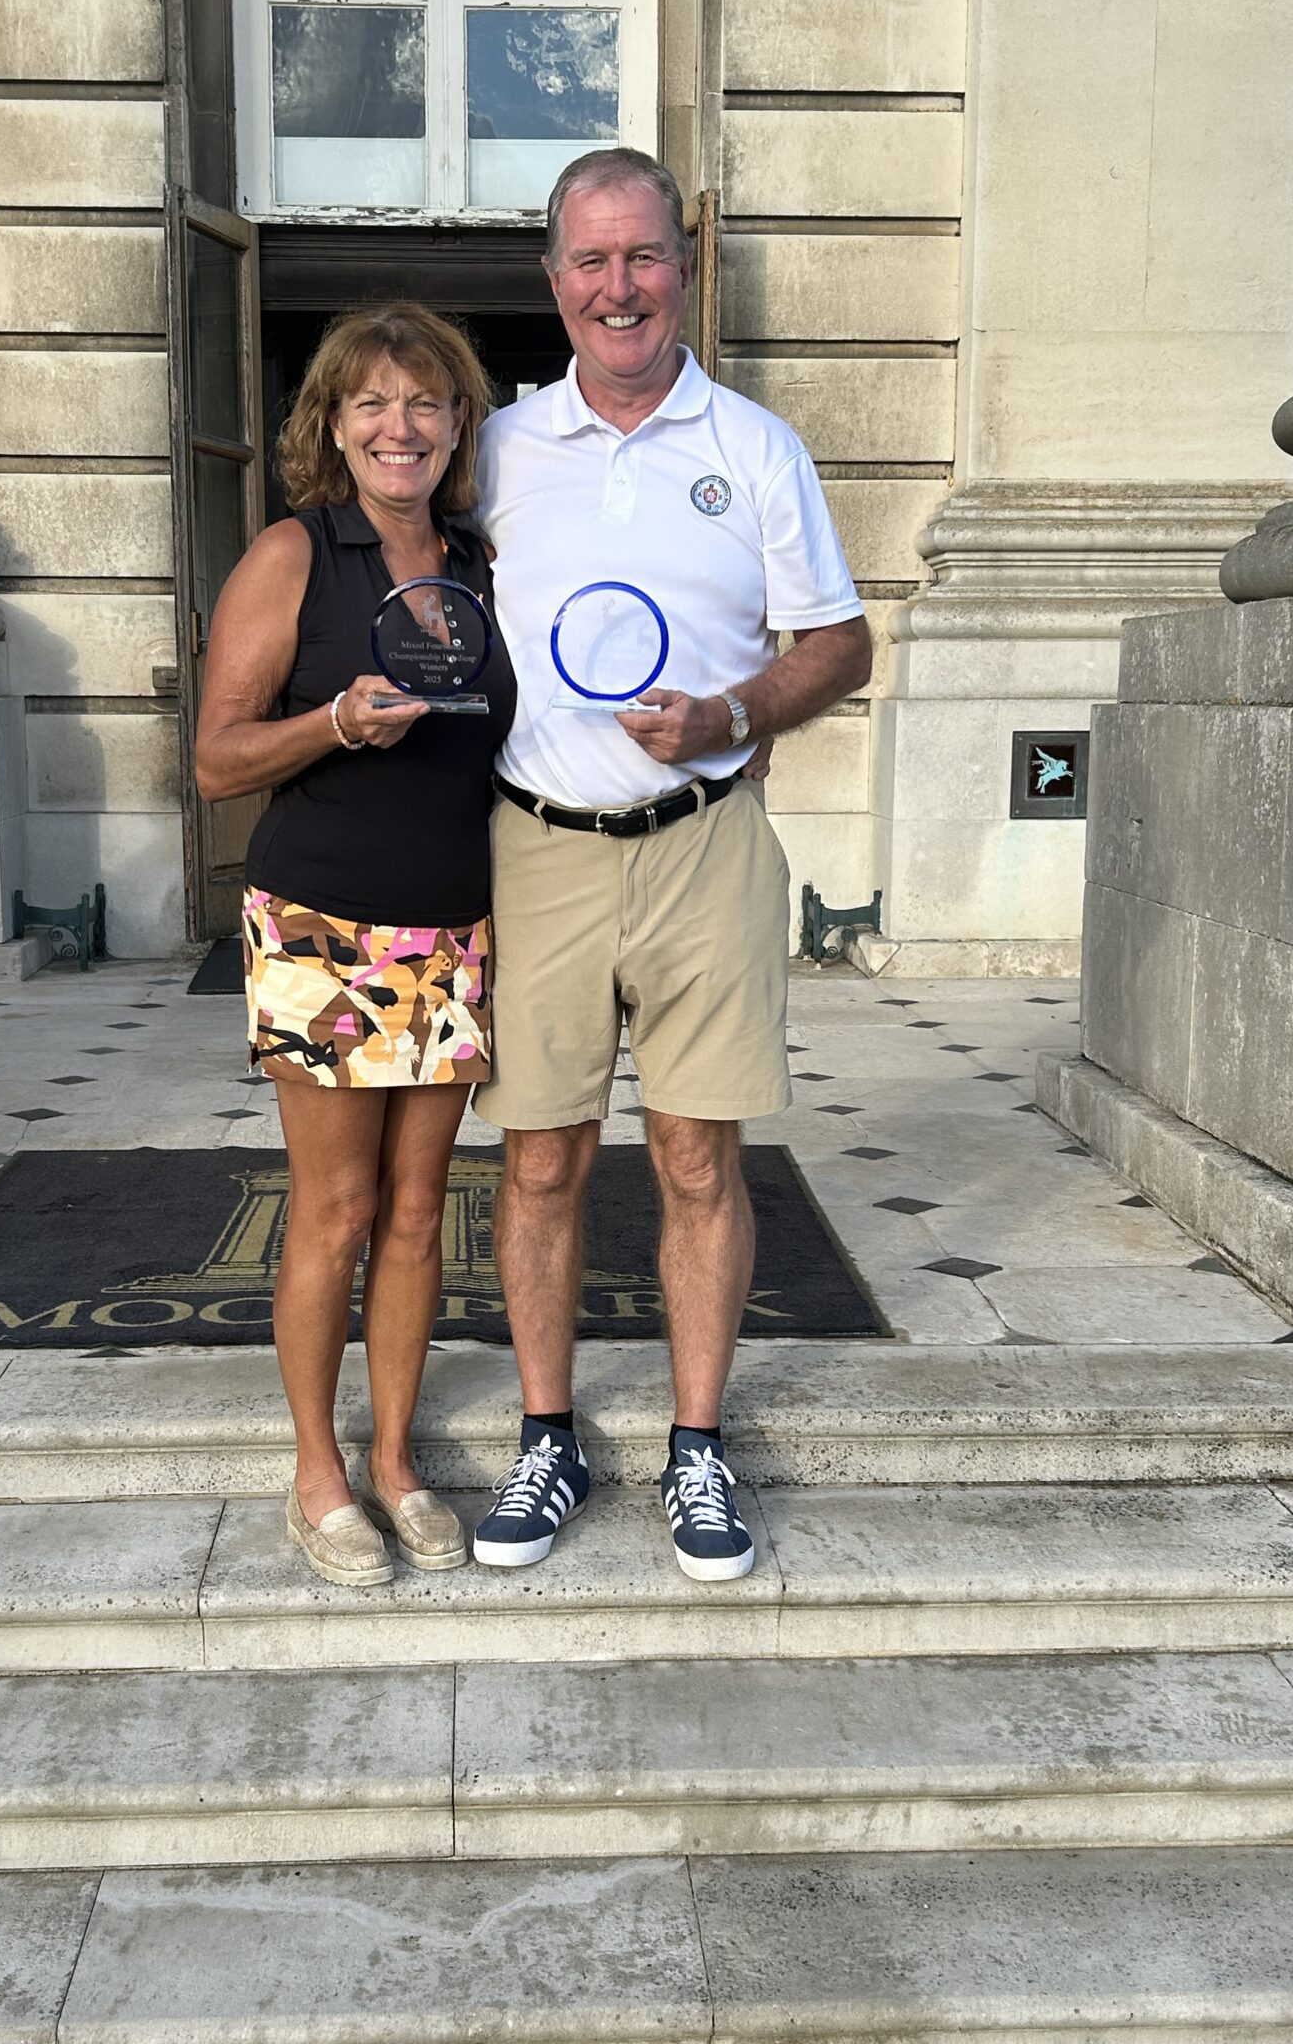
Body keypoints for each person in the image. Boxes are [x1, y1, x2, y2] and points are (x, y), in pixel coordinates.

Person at [470, 149, 872, 1583]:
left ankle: (697, 1450)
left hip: (704, 846)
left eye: (643, 256)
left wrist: (736, 713)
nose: (618, 286)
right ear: (555, 281)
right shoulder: (499, 449)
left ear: (682, 268)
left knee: (700, 1159)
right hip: (539, 849)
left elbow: (839, 639)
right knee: (540, 1161)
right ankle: (547, 1433)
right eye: (591, 261)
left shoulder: (754, 447)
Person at [194, 304, 515, 1588]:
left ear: (457, 426)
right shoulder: (295, 553)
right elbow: (217, 759)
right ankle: (317, 1472)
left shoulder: (483, 562)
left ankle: (396, 1462)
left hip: (455, 923)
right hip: (324, 926)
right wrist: (332, 718)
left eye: (427, 403)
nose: (402, 426)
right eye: (374, 404)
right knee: (336, 1207)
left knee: (425, 1210)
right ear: (333, 424)